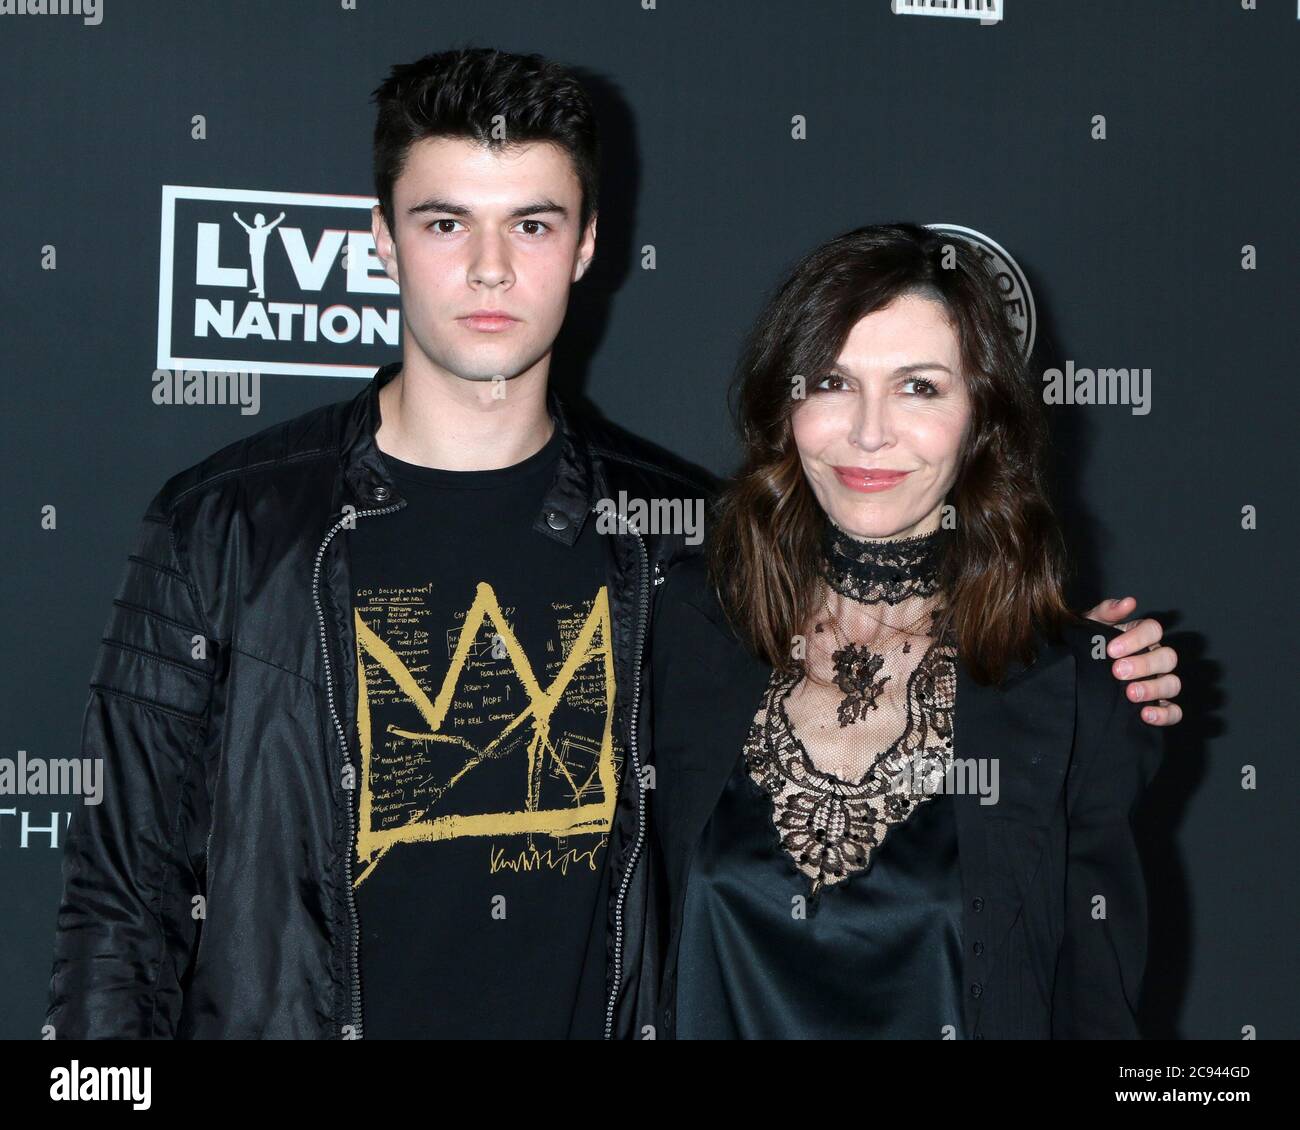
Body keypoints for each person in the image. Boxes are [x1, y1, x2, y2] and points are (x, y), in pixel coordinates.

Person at [44, 49, 1177, 1041]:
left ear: (586, 244)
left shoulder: (678, 545)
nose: (490, 268)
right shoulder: (225, 522)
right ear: (381, 239)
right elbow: (118, 899)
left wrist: (1076, 661)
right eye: (446, 222)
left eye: (531, 222)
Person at [650, 223, 1169, 1039]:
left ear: (982, 419)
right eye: (831, 381)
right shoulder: (676, 635)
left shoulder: (1077, 699)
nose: (868, 431)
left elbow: (1098, 1020)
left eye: (919, 388)